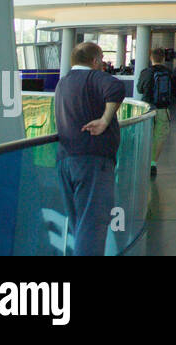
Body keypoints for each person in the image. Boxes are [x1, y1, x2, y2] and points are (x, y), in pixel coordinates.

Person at [54, 41, 125, 256]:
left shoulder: (63, 83)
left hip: (66, 160)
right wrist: (105, 119)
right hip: (92, 162)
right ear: (95, 61)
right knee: (93, 225)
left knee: (80, 225)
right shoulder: (94, 77)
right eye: (101, 60)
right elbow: (117, 87)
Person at [136, 47, 173, 177]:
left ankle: (142, 161)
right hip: (163, 108)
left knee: (145, 135)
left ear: (151, 58)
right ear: (163, 58)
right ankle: (153, 163)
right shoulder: (168, 72)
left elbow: (140, 89)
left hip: (147, 108)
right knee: (159, 137)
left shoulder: (146, 72)